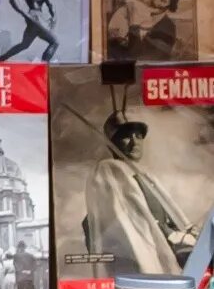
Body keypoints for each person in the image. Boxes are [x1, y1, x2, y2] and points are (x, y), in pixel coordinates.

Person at [81, 114, 197, 277]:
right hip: (139, 262)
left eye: (138, 136)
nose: (135, 142)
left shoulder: (147, 177)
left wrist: (185, 235)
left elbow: (165, 219)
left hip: (168, 256)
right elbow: (130, 220)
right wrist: (172, 235)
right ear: (111, 144)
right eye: (126, 136)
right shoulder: (109, 171)